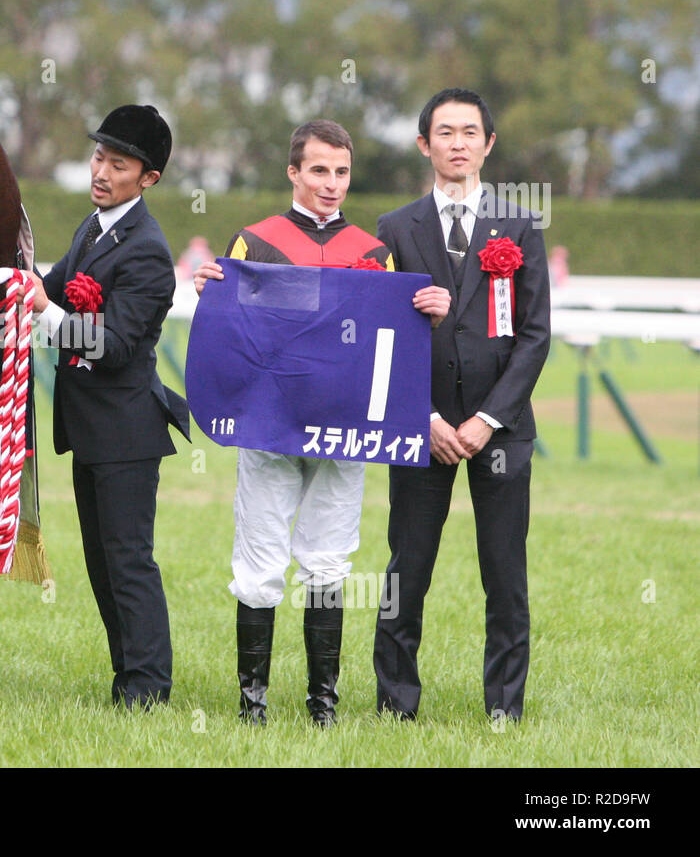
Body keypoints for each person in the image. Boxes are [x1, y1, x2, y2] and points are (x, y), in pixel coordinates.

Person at [193, 120, 449, 726]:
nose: (331, 184)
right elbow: (229, 333)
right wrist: (208, 291)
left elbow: (393, 340)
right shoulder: (253, 242)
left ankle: (322, 705)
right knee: (258, 563)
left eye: (341, 172)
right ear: (293, 172)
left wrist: (431, 314)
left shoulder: (373, 252)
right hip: (269, 428)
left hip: (343, 431)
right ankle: (251, 704)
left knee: (329, 561)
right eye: (318, 171)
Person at [372, 87, 551, 723]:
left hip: (500, 431)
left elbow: (534, 335)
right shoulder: (394, 229)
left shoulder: (521, 225)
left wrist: (485, 420)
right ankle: (396, 703)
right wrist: (424, 418)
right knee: (407, 567)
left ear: (488, 144)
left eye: (469, 132)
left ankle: (504, 707)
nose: (457, 143)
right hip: (420, 428)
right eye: (444, 133)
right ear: (425, 144)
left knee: (504, 570)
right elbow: (380, 338)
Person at [31, 104, 190, 709]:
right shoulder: (91, 226)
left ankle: (148, 689)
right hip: (90, 429)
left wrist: (46, 316)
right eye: (99, 157)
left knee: (127, 563)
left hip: (126, 431)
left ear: (147, 178)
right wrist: (11, 283)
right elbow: (50, 287)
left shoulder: (147, 251)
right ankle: (127, 676)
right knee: (101, 563)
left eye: (117, 164)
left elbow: (117, 344)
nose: (100, 171)